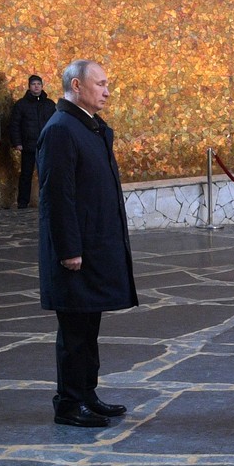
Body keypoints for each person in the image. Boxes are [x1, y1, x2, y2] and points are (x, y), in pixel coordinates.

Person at [37, 58, 138, 428]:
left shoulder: (89, 127)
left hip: (94, 245)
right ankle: (69, 403)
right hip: (75, 251)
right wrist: (68, 249)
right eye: (101, 84)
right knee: (75, 332)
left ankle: (87, 394)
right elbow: (57, 196)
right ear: (76, 86)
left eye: (108, 84)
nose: (107, 91)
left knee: (89, 326)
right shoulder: (62, 129)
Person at [9, 73, 56, 208]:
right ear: (29, 87)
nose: (36, 87)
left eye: (38, 84)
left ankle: (47, 201)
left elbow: (55, 124)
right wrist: (17, 142)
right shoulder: (21, 104)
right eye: (34, 84)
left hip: (45, 145)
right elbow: (15, 124)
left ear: (42, 86)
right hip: (28, 145)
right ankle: (23, 202)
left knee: (46, 175)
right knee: (26, 175)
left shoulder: (49, 104)